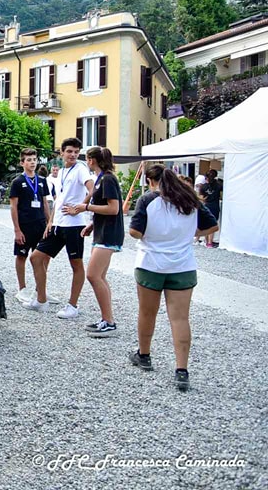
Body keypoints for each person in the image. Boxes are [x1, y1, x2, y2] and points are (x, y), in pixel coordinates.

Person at [128, 165, 219, 392]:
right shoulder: (190, 200)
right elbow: (212, 226)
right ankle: (181, 370)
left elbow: (135, 232)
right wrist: (189, 234)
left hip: (151, 264)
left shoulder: (148, 200)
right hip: (183, 265)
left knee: (147, 313)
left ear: (151, 181)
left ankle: (144, 355)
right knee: (180, 319)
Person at [26, 138, 94, 318]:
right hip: (58, 223)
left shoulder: (81, 169)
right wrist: (50, 221)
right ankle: (41, 300)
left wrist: (80, 206)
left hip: (75, 224)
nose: (73, 154)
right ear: (62, 153)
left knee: (76, 264)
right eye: (69, 151)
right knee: (35, 257)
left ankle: (73, 305)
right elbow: (60, 198)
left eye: (76, 151)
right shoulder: (62, 172)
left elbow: (92, 189)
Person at [62, 146, 123, 336]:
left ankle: (109, 322)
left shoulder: (107, 179)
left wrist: (86, 207)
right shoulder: (101, 179)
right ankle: (106, 319)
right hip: (102, 232)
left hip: (109, 234)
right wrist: (92, 225)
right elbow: (104, 207)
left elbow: (113, 209)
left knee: (93, 275)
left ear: (91, 160)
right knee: (100, 277)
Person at [9, 148, 50, 304]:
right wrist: (17, 229)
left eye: (34, 159)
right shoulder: (17, 182)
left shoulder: (42, 180)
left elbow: (45, 203)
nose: (32, 162)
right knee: (22, 256)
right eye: (29, 160)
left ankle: (41, 289)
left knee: (43, 256)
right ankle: (22, 288)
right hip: (25, 225)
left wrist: (49, 223)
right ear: (22, 163)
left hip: (40, 224)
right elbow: (14, 207)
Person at [200, 169, 221, 248]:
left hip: (206, 206)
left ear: (206, 177)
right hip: (215, 206)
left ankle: (206, 241)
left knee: (206, 224)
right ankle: (210, 242)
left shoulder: (203, 186)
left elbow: (202, 198)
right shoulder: (219, 185)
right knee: (213, 223)